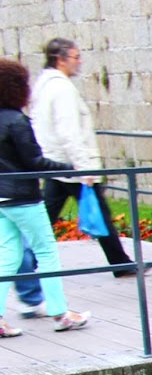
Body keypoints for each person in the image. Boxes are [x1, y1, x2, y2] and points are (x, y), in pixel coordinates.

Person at [30, 37, 136, 277]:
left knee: (46, 218)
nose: (80, 62)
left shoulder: (43, 86)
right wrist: (84, 168)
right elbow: (70, 132)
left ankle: (25, 262)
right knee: (98, 213)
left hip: (56, 164)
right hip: (73, 166)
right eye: (76, 57)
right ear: (61, 59)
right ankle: (120, 263)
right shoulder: (62, 89)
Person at [0, 58, 89, 336]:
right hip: (23, 197)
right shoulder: (16, 121)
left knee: (8, 255)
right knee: (47, 252)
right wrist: (69, 169)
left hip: (1, 198)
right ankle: (60, 314)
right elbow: (34, 162)